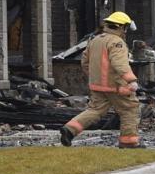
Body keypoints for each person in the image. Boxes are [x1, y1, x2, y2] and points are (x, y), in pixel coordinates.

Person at [60, 11, 143, 148]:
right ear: (121, 27)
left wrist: (95, 77)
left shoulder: (95, 40)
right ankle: (128, 142)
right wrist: (131, 80)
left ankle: (69, 129)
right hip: (116, 86)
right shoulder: (117, 42)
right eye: (125, 27)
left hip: (97, 85)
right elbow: (119, 64)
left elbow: (84, 62)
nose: (126, 31)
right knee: (129, 109)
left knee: (95, 110)